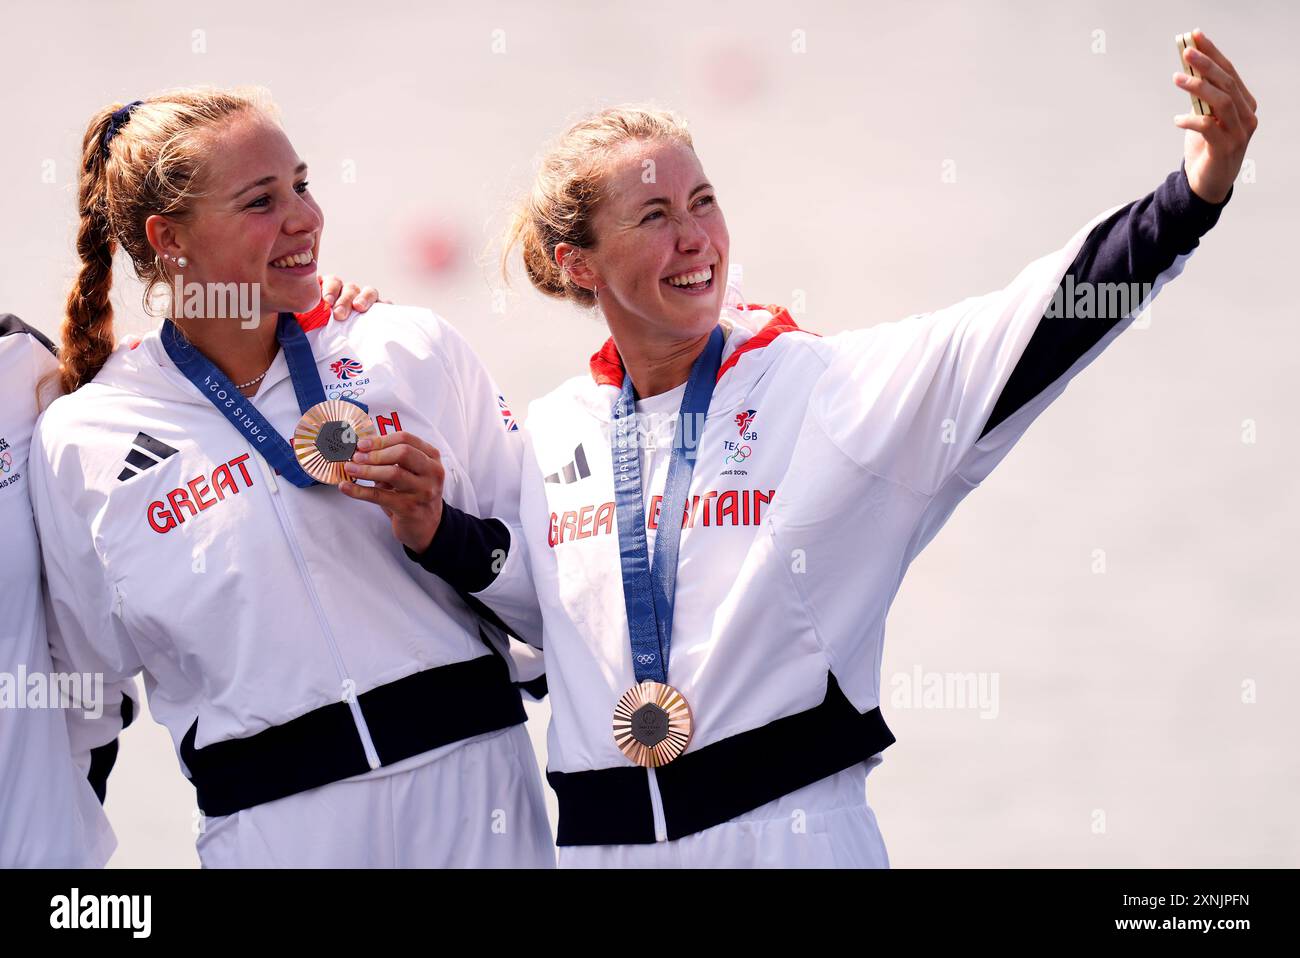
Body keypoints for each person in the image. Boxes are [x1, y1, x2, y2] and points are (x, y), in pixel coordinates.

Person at [494, 30, 1256, 866]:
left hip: (789, 842)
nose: (695, 238)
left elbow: (1027, 328)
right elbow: (525, 635)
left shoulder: (822, 392)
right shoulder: (554, 434)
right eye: (654, 215)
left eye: (704, 202)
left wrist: (1190, 197)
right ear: (579, 265)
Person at [29, 86, 553, 867]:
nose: (305, 218)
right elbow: (78, 712)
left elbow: (559, 606)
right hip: (275, 833)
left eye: (302, 185)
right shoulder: (84, 439)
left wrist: (444, 535)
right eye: (260, 201)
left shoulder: (405, 348)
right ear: (169, 238)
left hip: (476, 806)